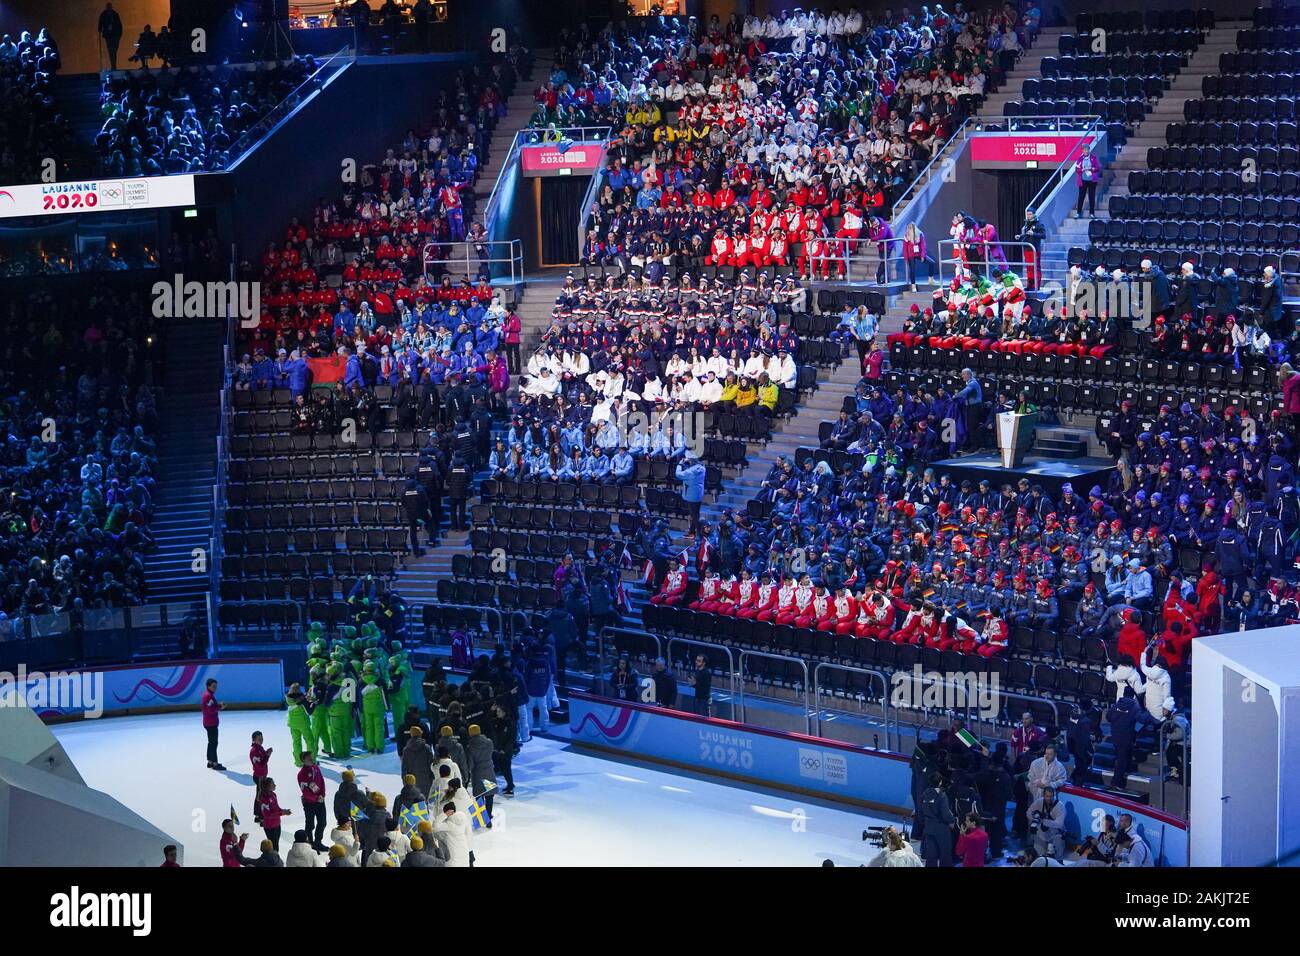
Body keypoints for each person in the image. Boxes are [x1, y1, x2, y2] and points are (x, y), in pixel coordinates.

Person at [918, 771, 955, 866]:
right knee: (945, 853)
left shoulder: (924, 794)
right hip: (941, 828)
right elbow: (945, 813)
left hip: (928, 827)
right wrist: (951, 821)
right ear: (940, 782)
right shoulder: (942, 796)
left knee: (931, 854)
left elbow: (920, 811)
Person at [297, 751, 328, 852]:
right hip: (309, 803)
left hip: (320, 800)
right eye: (308, 758)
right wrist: (315, 798)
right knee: (310, 825)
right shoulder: (302, 774)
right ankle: (310, 843)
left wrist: (322, 795)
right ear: (303, 761)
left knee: (322, 822)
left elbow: (322, 780)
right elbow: (305, 791)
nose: (311, 759)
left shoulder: (316, 768)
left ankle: (318, 842)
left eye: (311, 757)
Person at [433, 798, 474, 867]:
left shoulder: (449, 825)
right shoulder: (464, 819)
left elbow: (435, 828)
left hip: (454, 853)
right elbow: (468, 832)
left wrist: (444, 815)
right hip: (464, 849)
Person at [1028, 786, 1065, 860]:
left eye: (1051, 796)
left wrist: (1044, 821)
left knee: (1056, 859)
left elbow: (1059, 824)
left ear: (1054, 795)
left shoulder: (1060, 805)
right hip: (1042, 835)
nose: (1049, 798)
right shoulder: (1039, 802)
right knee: (1039, 858)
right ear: (1043, 795)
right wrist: (1035, 818)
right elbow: (1028, 812)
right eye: (1047, 796)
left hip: (1055, 835)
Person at [677, 453, 707, 537]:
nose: (688, 461)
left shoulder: (691, 471)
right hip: (698, 495)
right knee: (695, 514)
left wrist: (680, 464)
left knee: (694, 516)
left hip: (691, 495)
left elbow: (678, 474)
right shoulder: (702, 468)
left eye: (689, 460)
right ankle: (692, 532)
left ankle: (701, 533)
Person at [202, 679, 225, 770]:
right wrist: (220, 707)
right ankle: (214, 763)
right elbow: (211, 709)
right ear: (208, 686)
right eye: (213, 686)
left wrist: (218, 705)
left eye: (216, 686)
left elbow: (211, 706)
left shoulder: (209, 695)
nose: (215, 688)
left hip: (209, 722)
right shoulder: (208, 696)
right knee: (214, 743)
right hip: (211, 723)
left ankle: (210, 761)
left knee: (211, 742)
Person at [1075, 148, 1101, 218]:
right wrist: (1082, 169)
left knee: (1091, 197)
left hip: (1092, 181)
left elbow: (1098, 168)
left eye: (1087, 150)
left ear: (1089, 150)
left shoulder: (1093, 158)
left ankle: (1092, 213)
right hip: (1083, 180)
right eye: (1084, 150)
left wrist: (1093, 168)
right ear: (1082, 151)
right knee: (1081, 197)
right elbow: (1077, 169)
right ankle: (1078, 212)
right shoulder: (1080, 159)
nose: (1086, 151)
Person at [99, 2, 124, 70]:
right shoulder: (103, 15)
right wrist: (100, 29)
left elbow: (119, 24)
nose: (109, 8)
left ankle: (113, 65)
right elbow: (100, 23)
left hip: (116, 35)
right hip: (109, 35)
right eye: (108, 7)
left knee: (114, 50)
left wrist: (120, 33)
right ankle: (113, 65)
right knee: (111, 50)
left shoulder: (115, 14)